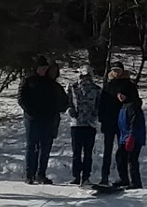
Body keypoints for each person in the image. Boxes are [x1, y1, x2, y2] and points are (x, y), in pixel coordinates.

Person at [18, 55, 63, 184]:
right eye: (41, 68)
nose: (43, 70)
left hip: (47, 119)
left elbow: (57, 99)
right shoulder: (28, 80)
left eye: (45, 68)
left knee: (45, 147)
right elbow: (21, 99)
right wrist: (31, 111)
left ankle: (41, 173)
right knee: (31, 146)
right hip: (32, 118)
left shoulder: (49, 83)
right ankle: (29, 174)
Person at [99, 61, 138, 185]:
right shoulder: (108, 86)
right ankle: (104, 177)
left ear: (122, 71)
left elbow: (136, 103)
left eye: (118, 70)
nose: (116, 72)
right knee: (107, 151)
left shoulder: (129, 85)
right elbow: (101, 104)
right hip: (109, 122)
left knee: (123, 152)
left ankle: (124, 177)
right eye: (114, 70)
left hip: (123, 122)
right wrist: (101, 118)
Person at [67, 67, 101, 185]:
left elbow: (99, 104)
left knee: (88, 153)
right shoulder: (73, 87)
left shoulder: (96, 89)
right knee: (76, 152)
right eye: (83, 76)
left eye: (87, 76)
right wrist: (71, 110)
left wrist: (95, 114)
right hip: (76, 124)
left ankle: (86, 176)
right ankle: (76, 176)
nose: (85, 78)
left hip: (90, 124)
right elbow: (68, 101)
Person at [115, 86, 146, 189]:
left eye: (122, 94)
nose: (120, 96)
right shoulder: (123, 106)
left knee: (132, 159)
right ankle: (124, 179)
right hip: (125, 137)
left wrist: (131, 135)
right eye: (118, 94)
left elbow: (135, 121)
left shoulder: (133, 106)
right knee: (120, 157)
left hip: (133, 137)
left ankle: (136, 182)